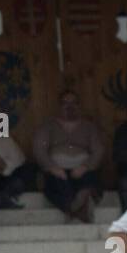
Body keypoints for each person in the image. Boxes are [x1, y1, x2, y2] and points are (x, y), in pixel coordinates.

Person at [32, 90, 104, 223]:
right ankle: (78, 209)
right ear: (59, 106)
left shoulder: (89, 127)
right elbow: (39, 149)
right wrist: (52, 167)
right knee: (54, 185)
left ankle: (72, 207)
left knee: (90, 180)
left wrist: (85, 166)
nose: (69, 106)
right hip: (57, 170)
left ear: (79, 106)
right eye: (65, 103)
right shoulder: (47, 126)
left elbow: (98, 150)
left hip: (82, 169)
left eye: (73, 103)